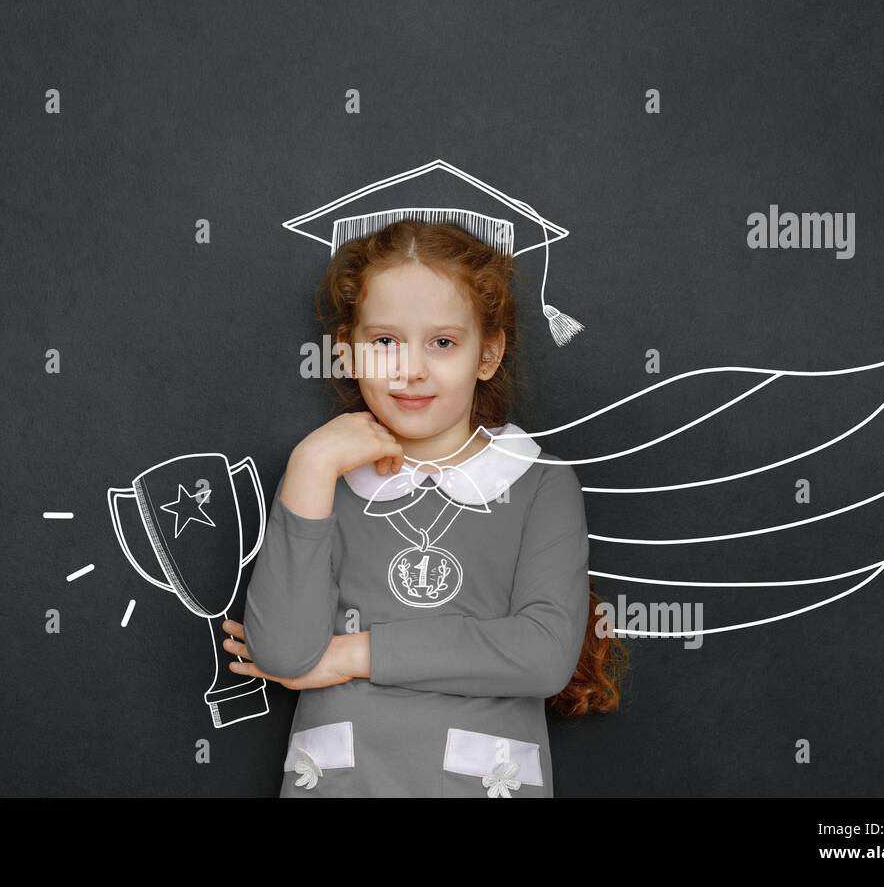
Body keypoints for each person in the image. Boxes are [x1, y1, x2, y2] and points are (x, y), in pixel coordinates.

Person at [225, 219, 628, 797]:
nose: (410, 369)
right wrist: (310, 466)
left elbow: (540, 655)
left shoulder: (539, 483)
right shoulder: (325, 479)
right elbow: (284, 653)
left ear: (487, 354)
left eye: (442, 342)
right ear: (347, 352)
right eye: (384, 342)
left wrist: (352, 655)